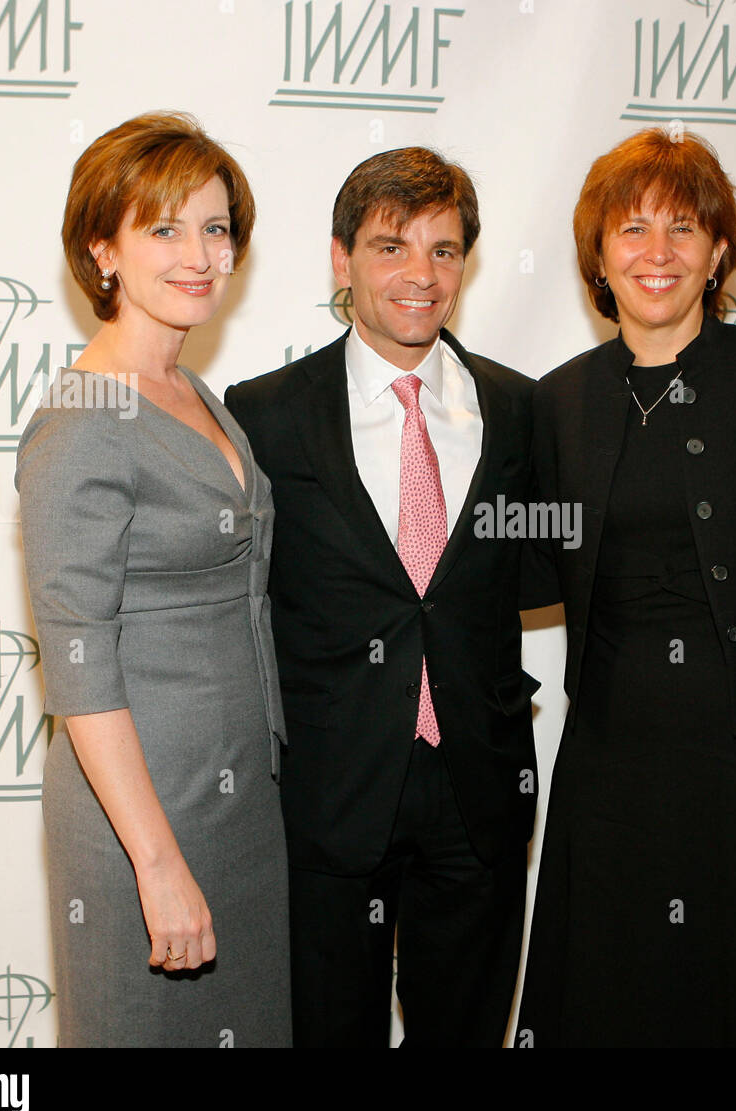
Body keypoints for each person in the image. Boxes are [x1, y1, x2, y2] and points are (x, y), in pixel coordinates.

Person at [517, 127, 736, 1047]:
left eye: (682, 228)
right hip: (615, 764)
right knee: (619, 996)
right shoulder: (557, 400)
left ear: (718, 252)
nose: (656, 252)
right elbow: (524, 564)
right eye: (630, 230)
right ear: (598, 253)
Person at [225, 147, 546, 1048]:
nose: (420, 274)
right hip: (331, 796)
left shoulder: (520, 412)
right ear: (341, 259)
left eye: (444, 251)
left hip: (478, 790)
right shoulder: (266, 414)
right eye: (391, 246)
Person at [15, 112, 291, 1046]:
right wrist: (158, 863)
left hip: (240, 799)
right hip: (146, 812)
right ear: (103, 249)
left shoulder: (194, 391)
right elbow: (80, 667)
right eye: (164, 228)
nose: (200, 254)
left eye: (216, 229)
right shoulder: (82, 418)